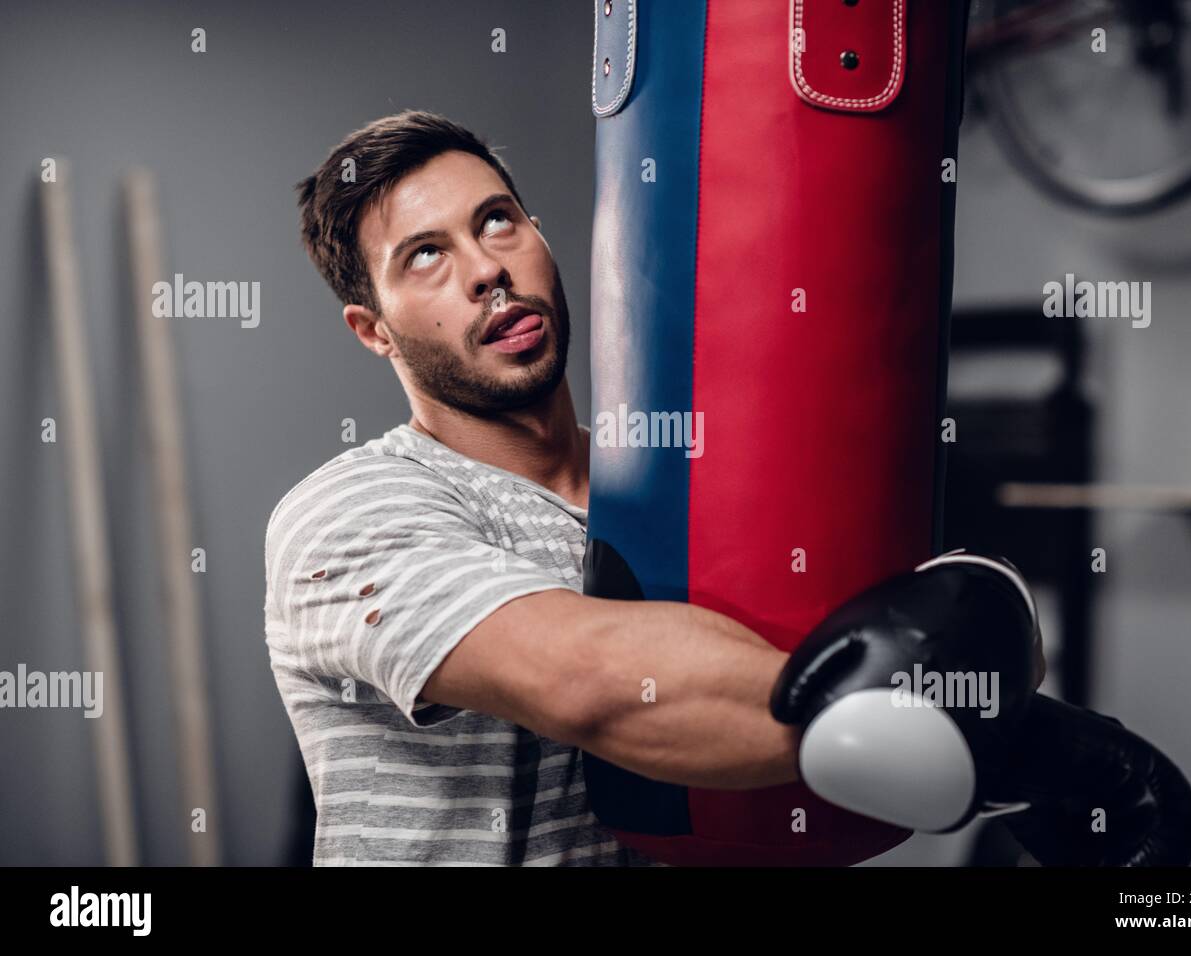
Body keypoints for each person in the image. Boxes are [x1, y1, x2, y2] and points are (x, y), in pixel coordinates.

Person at [265, 110, 1046, 866]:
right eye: (425, 255)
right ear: (374, 329)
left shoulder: (677, 482)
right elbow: (588, 682)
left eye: (497, 221)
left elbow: (800, 641)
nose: (486, 271)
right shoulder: (350, 510)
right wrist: (1002, 738)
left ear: (538, 233)